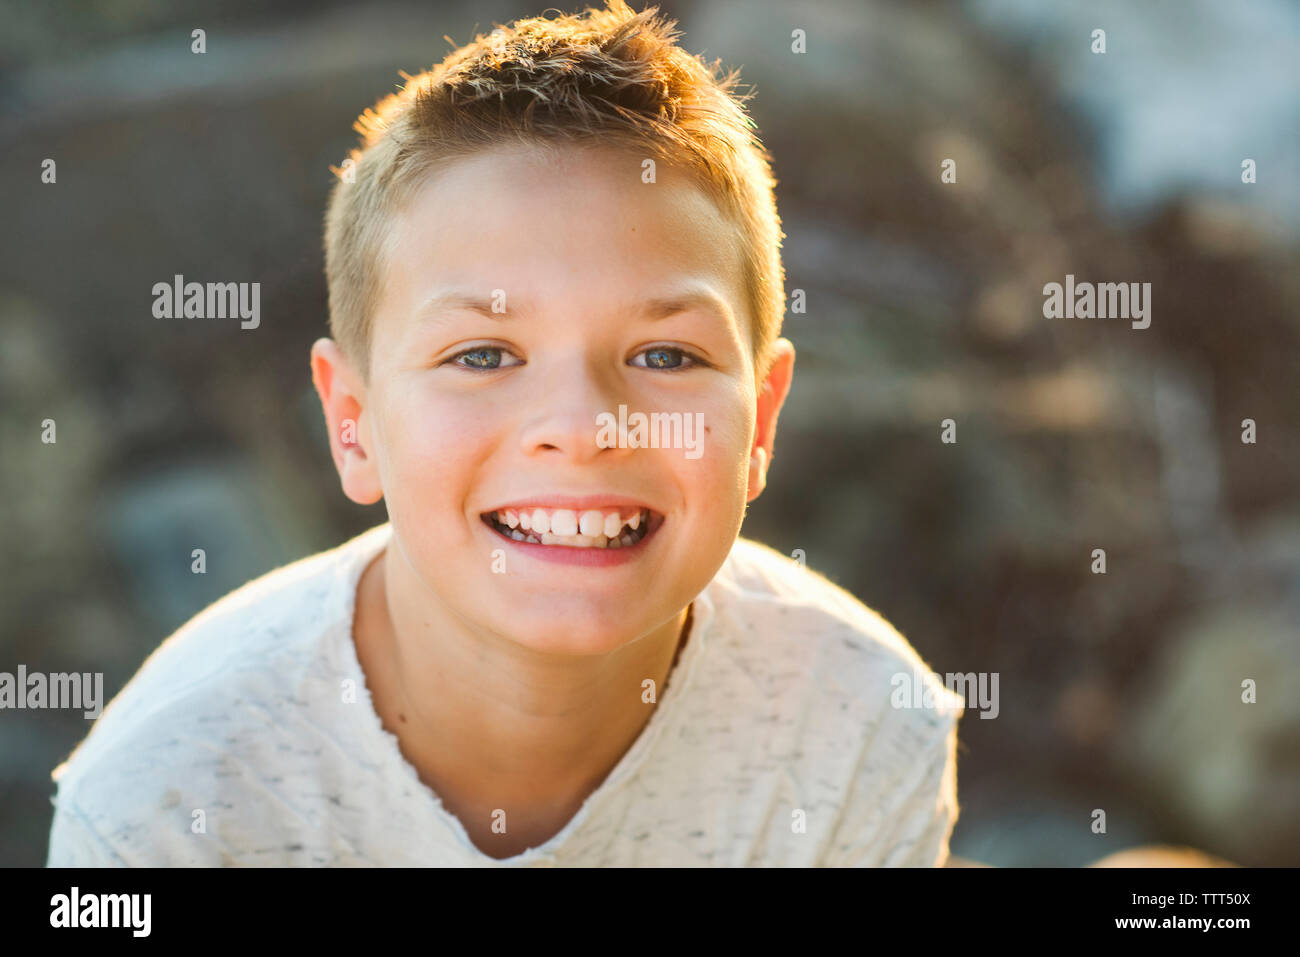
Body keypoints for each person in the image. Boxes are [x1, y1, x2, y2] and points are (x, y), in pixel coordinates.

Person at [47, 0, 962, 867]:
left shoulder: (860, 722)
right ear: (352, 421)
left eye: (666, 354)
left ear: (760, 419)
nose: (581, 427)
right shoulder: (167, 802)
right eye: (483, 354)